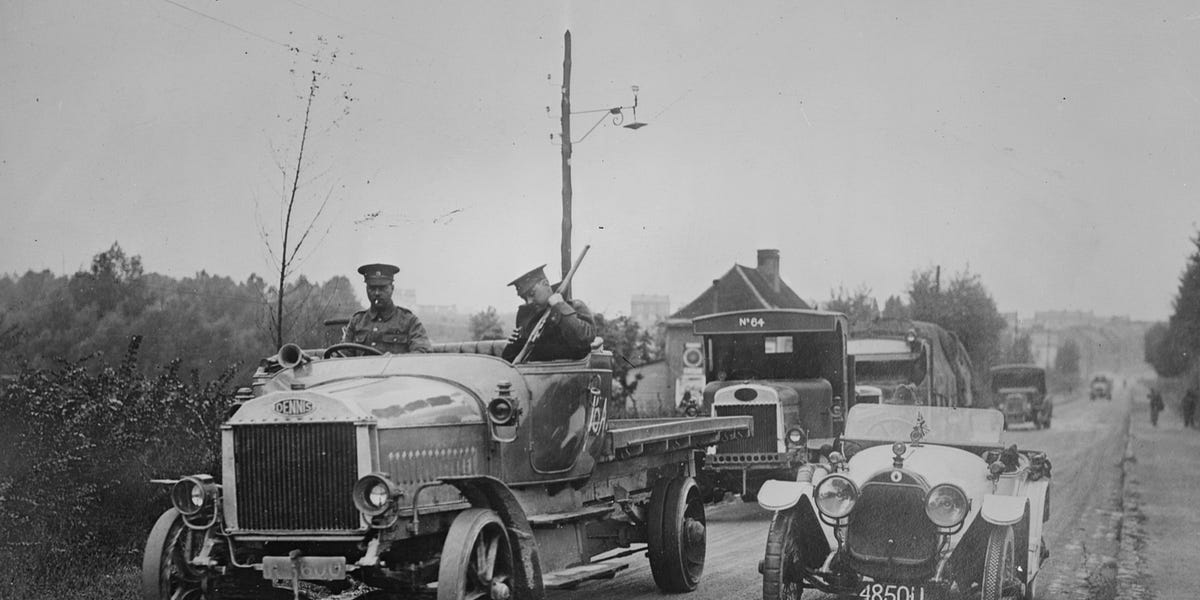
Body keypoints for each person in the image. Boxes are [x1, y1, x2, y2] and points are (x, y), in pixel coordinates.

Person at [500, 264, 595, 362]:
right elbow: (513, 360)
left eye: (532, 294)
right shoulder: (525, 316)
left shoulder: (575, 307)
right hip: (532, 374)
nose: (529, 302)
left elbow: (583, 340)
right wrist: (513, 345)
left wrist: (560, 307)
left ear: (545, 284)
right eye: (524, 298)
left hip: (566, 373)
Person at [342, 263, 432, 353]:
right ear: (366, 289)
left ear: (392, 288)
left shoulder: (409, 321)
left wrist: (394, 361)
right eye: (372, 288)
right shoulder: (357, 321)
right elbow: (343, 355)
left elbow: (422, 352)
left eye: (382, 288)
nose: (377, 293)